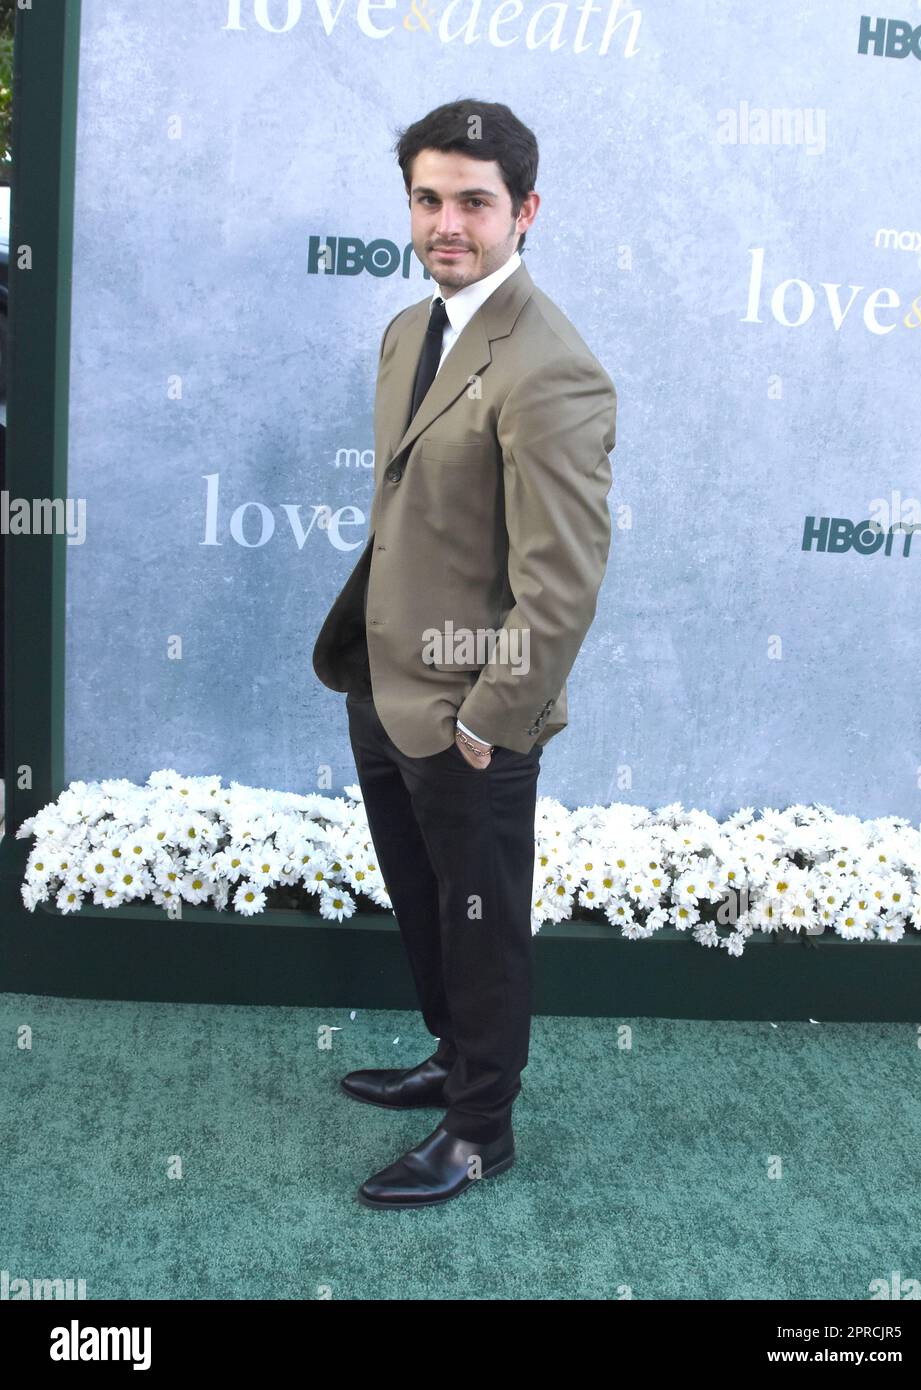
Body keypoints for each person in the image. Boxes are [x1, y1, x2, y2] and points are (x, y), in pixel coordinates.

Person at [312, 98, 617, 1209]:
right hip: (385, 685)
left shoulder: (553, 370)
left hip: (475, 718)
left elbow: (563, 577)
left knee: (481, 924)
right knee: (429, 903)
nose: (447, 222)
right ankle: (452, 1059)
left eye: (474, 203)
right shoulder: (408, 330)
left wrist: (490, 719)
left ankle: (481, 1128)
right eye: (428, 198)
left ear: (525, 211)